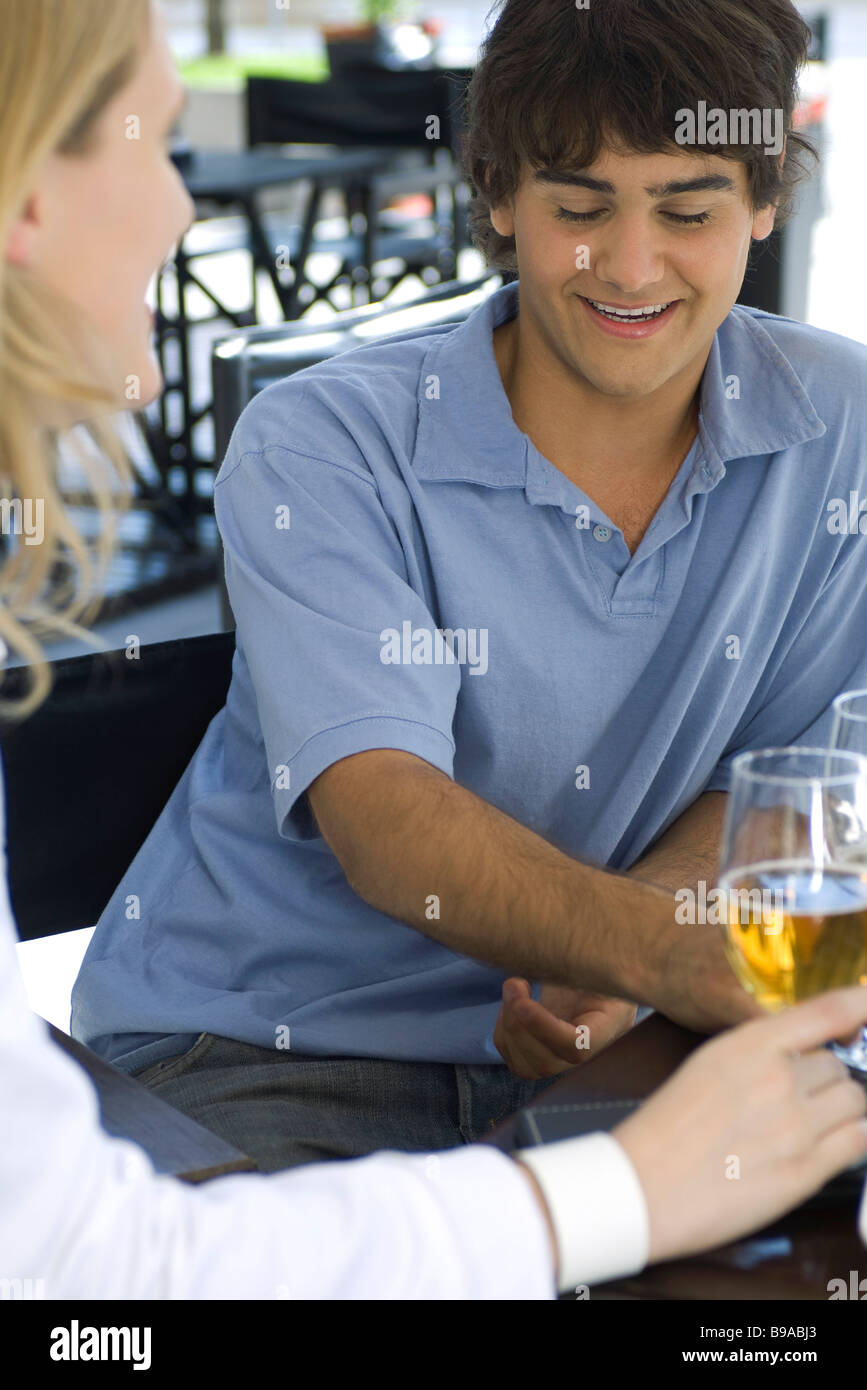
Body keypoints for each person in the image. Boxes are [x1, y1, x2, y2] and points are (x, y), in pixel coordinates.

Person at [2, 0, 867, 1300]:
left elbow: (780, 775)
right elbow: (389, 817)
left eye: (687, 211)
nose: (632, 265)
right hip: (273, 1048)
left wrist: (626, 968)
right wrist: (655, 948)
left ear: (764, 202)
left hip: (616, 1039)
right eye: (581, 204)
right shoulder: (322, 448)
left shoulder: (838, 427)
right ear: (499, 197)